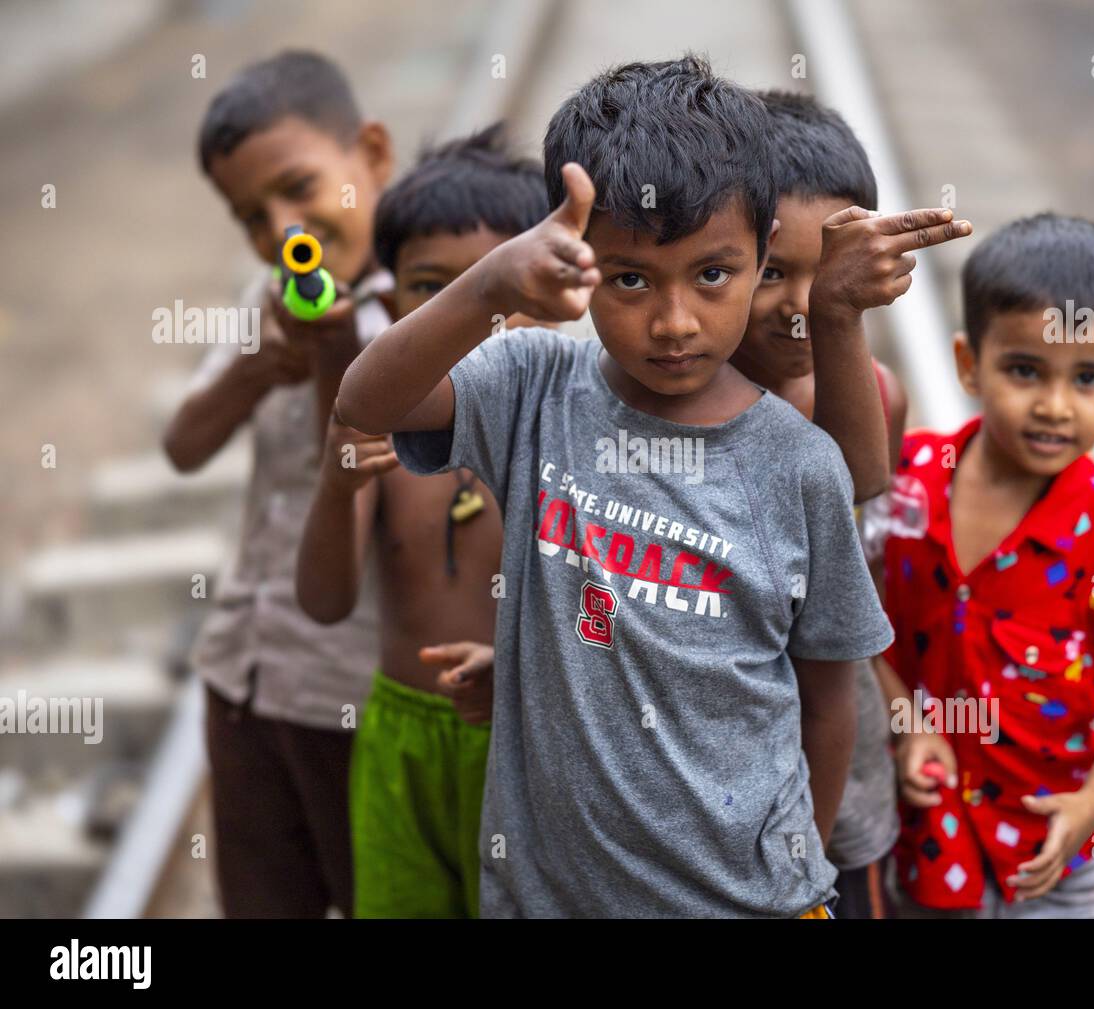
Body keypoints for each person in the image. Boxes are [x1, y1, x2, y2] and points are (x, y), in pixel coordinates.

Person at [338, 55, 895, 918]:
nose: (674, 322)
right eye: (631, 278)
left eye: (713, 273)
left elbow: (826, 699)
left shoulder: (800, 464)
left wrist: (795, 877)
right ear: (583, 264)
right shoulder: (533, 385)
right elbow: (366, 399)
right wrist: (486, 286)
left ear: (758, 256)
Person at [880, 213, 1094, 918]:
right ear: (968, 364)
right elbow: (856, 616)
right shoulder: (912, 479)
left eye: (1088, 378)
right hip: (932, 838)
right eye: (1024, 370)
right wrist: (904, 721)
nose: (1053, 405)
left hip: (1060, 849)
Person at [296, 125, 551, 918]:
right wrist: (338, 486)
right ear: (389, 298)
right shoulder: (378, 426)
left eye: (492, 298)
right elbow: (326, 601)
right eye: (432, 294)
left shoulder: (562, 429)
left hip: (527, 737)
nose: (467, 325)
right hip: (399, 739)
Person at [163, 50, 395, 917]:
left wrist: (338, 349)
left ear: (371, 154)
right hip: (245, 671)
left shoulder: (419, 304)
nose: (281, 226)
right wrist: (257, 366)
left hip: (349, 688)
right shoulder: (275, 296)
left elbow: (356, 469)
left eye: (300, 189)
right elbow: (185, 444)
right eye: (251, 215)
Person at [732, 89, 963, 918]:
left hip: (842, 752)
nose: (797, 304)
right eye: (769, 272)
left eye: (823, 276)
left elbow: (855, 491)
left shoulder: (876, 392)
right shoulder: (688, 392)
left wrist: (904, 714)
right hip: (718, 755)